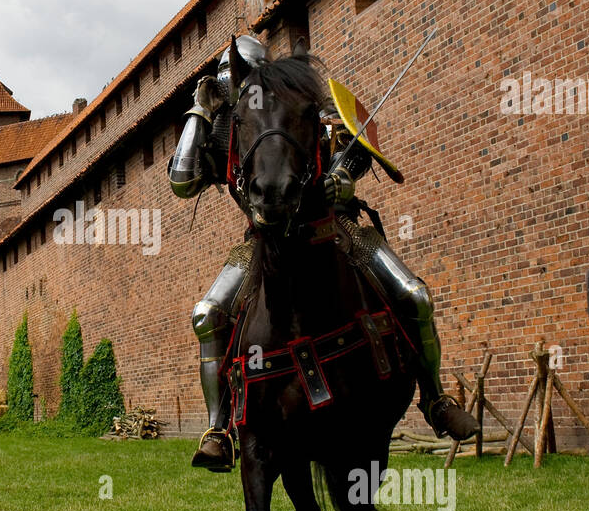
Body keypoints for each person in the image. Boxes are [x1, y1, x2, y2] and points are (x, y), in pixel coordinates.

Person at [168, 34, 480, 472]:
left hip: (337, 227)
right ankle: (219, 426)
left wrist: (343, 176)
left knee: (414, 296)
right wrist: (199, 110)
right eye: (231, 83)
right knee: (207, 314)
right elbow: (181, 182)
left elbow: (355, 144)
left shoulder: (298, 99)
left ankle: (435, 398)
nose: (242, 89)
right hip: (262, 247)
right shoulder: (230, 127)